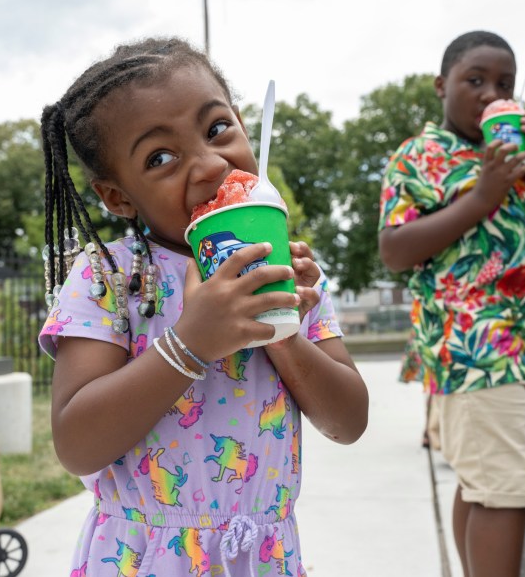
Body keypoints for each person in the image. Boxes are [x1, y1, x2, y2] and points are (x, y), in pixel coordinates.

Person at [37, 37, 369, 576]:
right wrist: (190, 343)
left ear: (243, 124)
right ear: (118, 197)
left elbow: (348, 421)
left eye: (217, 129)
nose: (211, 165)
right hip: (146, 558)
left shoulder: (291, 271)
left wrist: (282, 331)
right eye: (160, 158)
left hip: (262, 557)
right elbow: (76, 444)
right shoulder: (110, 277)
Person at [378, 30, 525, 577]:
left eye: (505, 84)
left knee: (486, 485)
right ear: (442, 86)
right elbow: (394, 250)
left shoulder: (513, 159)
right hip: (475, 348)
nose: (492, 94)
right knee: (506, 492)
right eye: (475, 80)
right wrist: (484, 195)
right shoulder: (418, 156)